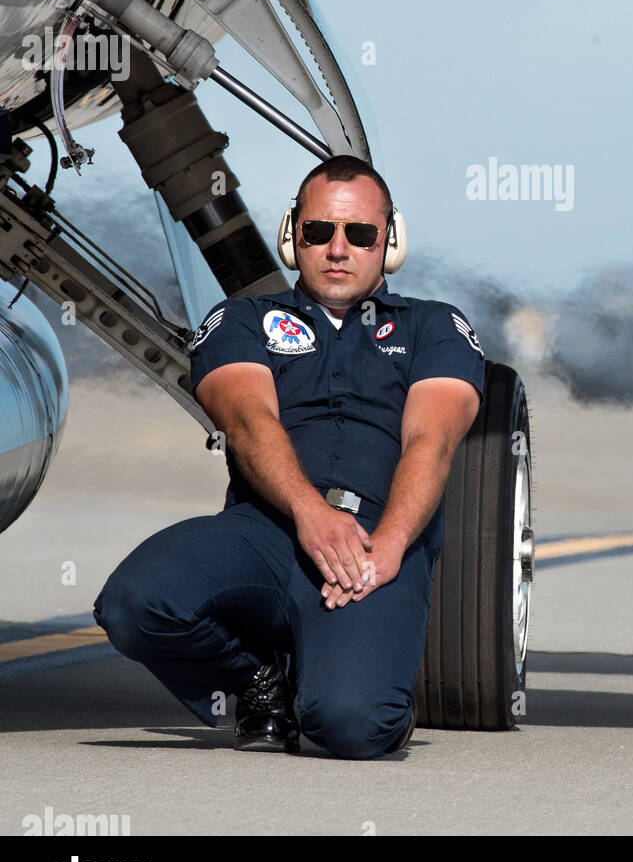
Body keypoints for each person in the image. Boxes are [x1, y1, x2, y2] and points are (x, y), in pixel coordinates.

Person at [93, 155, 484, 758]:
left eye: (359, 234)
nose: (336, 248)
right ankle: (258, 683)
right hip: (266, 531)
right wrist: (308, 511)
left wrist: (389, 548)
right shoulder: (243, 320)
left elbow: (430, 442)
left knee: (353, 729)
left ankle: (343, 676)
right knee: (134, 603)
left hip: (373, 542)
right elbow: (250, 421)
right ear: (290, 235)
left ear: (390, 242)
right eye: (318, 230)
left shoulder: (435, 328)